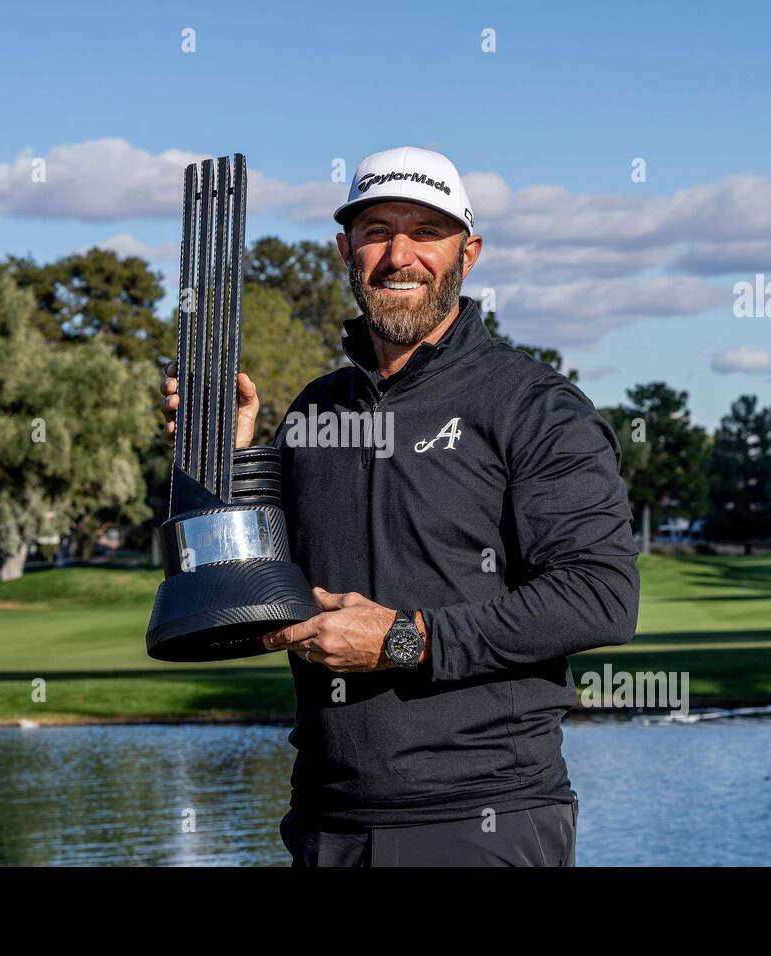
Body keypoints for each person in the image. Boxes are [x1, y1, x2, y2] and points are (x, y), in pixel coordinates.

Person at [161, 145, 639, 866]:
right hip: (327, 819)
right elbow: (252, 598)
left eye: (426, 232)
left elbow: (601, 597)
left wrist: (404, 639)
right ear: (345, 249)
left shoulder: (536, 407)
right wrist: (224, 464)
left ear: (468, 253)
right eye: (378, 229)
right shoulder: (316, 410)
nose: (399, 254)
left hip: (482, 819)